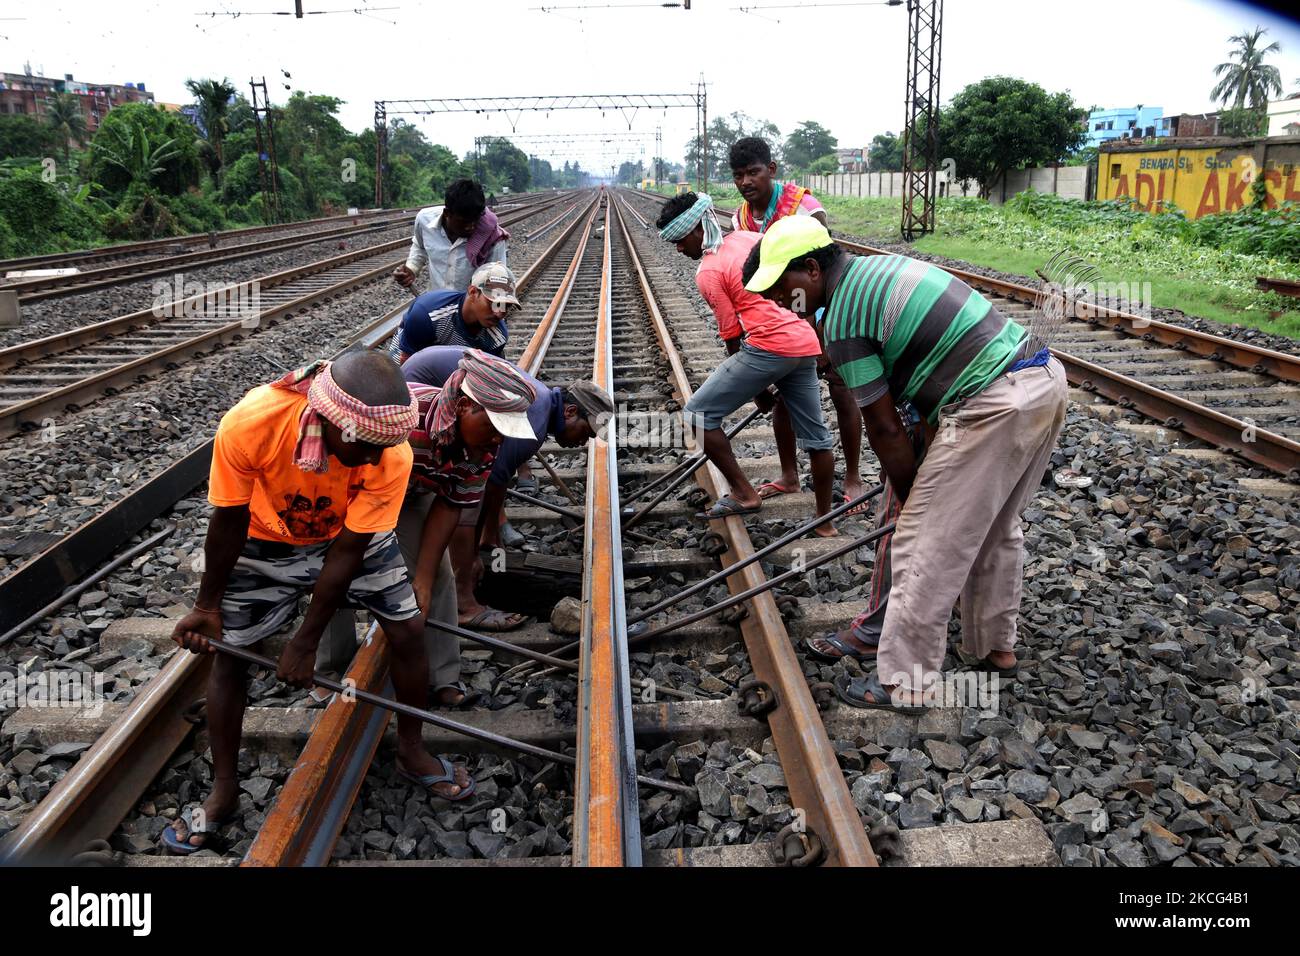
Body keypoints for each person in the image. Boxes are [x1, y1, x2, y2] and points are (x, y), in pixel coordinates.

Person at [743, 217, 1068, 710]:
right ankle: (994, 647)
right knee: (997, 526)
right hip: (1042, 378)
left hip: (992, 406)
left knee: (922, 540)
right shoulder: (876, 269)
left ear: (811, 270)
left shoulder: (844, 322)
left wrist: (916, 496)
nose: (779, 304)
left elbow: (885, 428)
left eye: (781, 290)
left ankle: (906, 682)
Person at [164, 351, 475, 853]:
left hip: (349, 540)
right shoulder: (252, 422)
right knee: (228, 658)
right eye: (368, 450)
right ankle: (223, 790)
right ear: (338, 427)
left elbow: (349, 552)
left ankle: (412, 749)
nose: (377, 461)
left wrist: (306, 642)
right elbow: (227, 522)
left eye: (383, 450)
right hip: (264, 538)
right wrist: (208, 605)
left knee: (408, 628)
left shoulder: (389, 451)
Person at [403, 345, 613, 639]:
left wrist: (489, 538)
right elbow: (474, 493)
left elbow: (493, 478)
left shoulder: (537, 410)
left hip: (428, 368)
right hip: (426, 383)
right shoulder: (536, 422)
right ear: (570, 411)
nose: (584, 441)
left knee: (459, 484)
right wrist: (472, 554)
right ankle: (462, 601)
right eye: (587, 432)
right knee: (436, 485)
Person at [656, 191, 836, 532]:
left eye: (680, 241)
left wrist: (757, 391)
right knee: (817, 437)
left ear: (697, 230)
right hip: (803, 343)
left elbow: (732, 335)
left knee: (697, 414)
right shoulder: (749, 238)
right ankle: (823, 520)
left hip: (769, 348)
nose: (679, 249)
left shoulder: (708, 270)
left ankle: (743, 492)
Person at [728, 136, 867, 516]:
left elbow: (823, 270)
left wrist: (820, 329)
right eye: (738, 175)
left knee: (842, 390)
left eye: (753, 172)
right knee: (786, 394)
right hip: (781, 317)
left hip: (819, 310)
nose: (745, 182)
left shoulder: (804, 208)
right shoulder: (741, 218)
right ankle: (789, 475)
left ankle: (853, 478)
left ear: (771, 170)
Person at [397, 349, 541, 706]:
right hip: (360, 488)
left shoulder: (483, 446)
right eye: (493, 428)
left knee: (439, 577)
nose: (497, 440)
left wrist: (423, 580)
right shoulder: (405, 421)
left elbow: (449, 505)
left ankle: (444, 678)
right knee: (342, 569)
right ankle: (329, 672)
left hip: (417, 490)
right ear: (463, 407)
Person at [392, 178, 508, 293]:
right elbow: (420, 246)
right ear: (447, 214)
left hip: (473, 308)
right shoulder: (424, 221)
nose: (471, 227)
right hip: (437, 304)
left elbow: (496, 281)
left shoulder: (492, 237)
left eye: (475, 221)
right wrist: (412, 267)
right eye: (464, 222)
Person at [390, 262, 520, 364]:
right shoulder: (427, 314)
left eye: (506, 306)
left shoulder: (497, 337)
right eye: (494, 303)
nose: (499, 314)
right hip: (414, 353)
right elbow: (407, 363)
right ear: (473, 292)